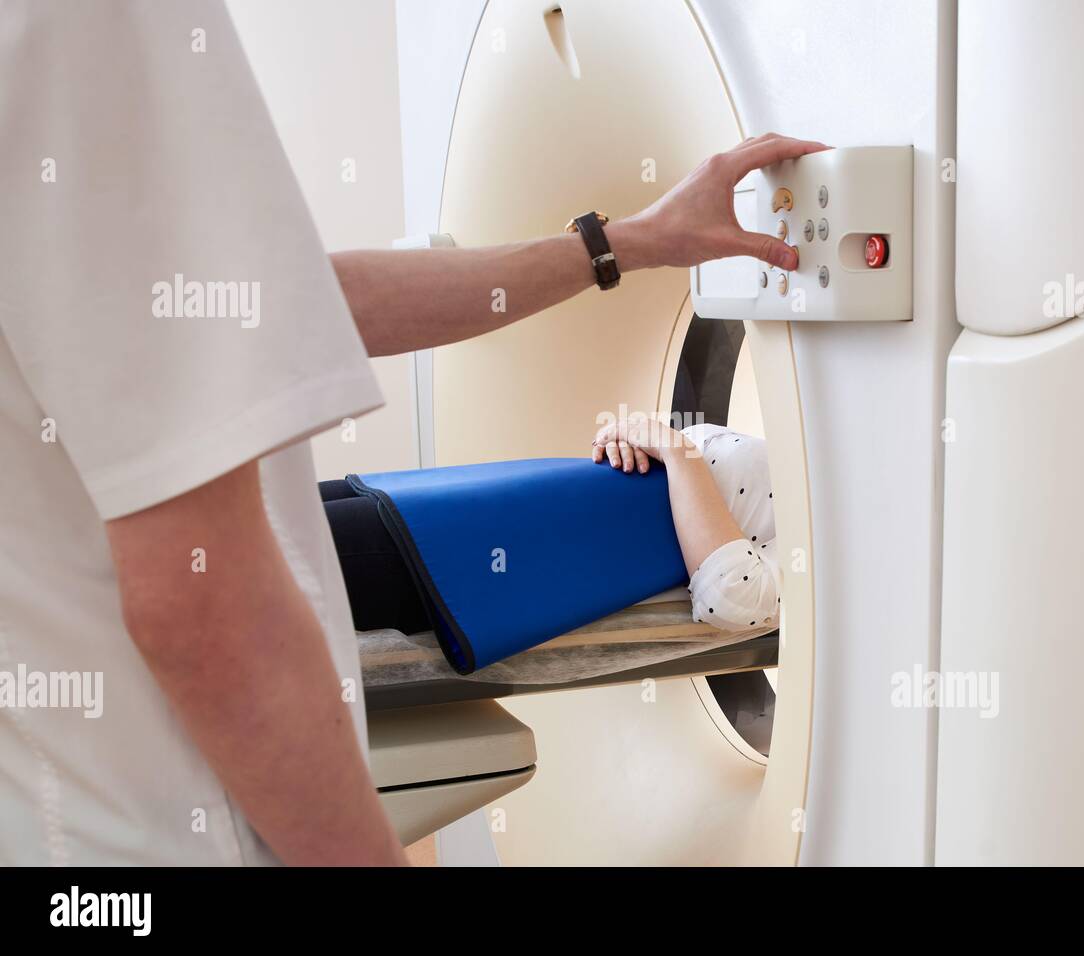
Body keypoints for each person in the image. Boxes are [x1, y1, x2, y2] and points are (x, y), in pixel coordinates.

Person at [0, 0, 824, 865]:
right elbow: (199, 605)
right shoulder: (93, 28)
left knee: (345, 539)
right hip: (126, 820)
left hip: (116, 794)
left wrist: (627, 245)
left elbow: (281, 304)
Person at [323, 421, 780, 656]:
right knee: (289, 509)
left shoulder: (838, 558)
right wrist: (634, 436)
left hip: (525, 550)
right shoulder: (813, 459)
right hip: (517, 493)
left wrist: (674, 448)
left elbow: (735, 599)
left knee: (302, 553)